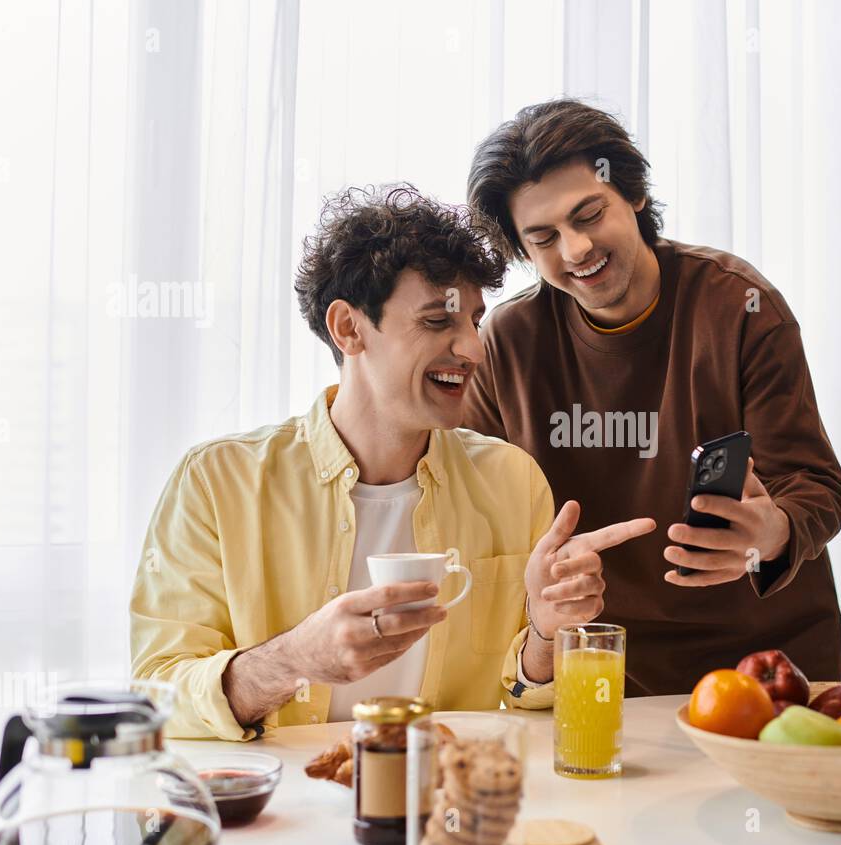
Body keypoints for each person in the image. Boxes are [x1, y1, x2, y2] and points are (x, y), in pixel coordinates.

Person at [131, 184, 653, 739]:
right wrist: (292, 659)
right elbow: (158, 693)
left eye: (474, 321)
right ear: (349, 329)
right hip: (283, 809)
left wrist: (548, 636)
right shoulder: (217, 481)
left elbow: (524, 700)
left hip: (444, 798)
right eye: (437, 321)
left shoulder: (511, 478)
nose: (474, 350)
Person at [463, 99, 841, 697]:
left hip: (771, 671)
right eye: (544, 238)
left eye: (589, 214)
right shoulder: (508, 342)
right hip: (601, 673)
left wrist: (770, 532)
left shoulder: (740, 308)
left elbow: (816, 485)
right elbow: (477, 512)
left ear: (634, 195)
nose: (575, 250)